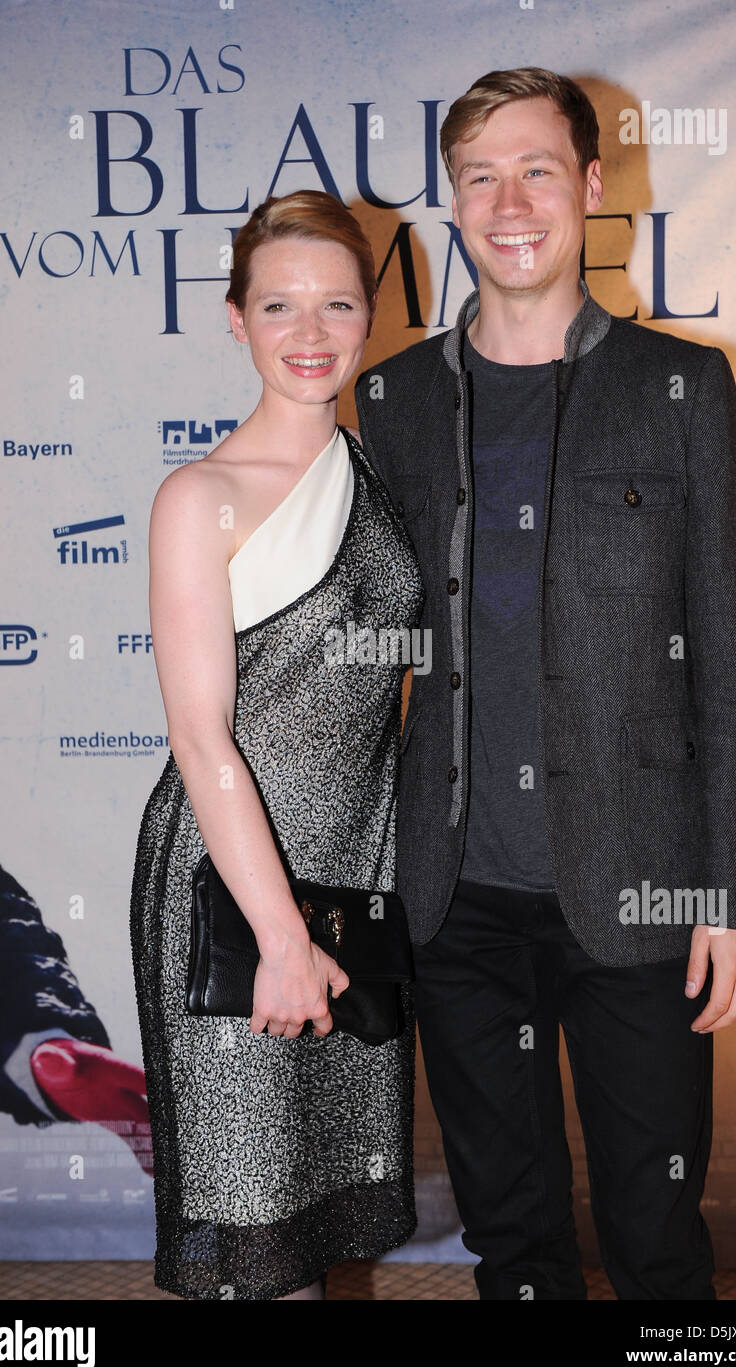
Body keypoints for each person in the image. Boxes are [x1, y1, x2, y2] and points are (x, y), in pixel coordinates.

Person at [355, 67, 736, 1300]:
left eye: (537, 168)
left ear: (593, 189)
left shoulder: (680, 386)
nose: (509, 201)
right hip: (457, 901)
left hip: (643, 890)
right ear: (453, 199)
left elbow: (732, 657)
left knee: (658, 1243)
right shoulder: (394, 400)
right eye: (479, 175)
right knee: (515, 1242)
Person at [129, 191, 422, 1301]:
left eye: (338, 303)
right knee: (257, 1236)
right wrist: (282, 938)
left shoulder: (383, 477)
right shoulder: (197, 497)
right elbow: (201, 739)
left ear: (369, 316)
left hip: (357, 874)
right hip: (229, 889)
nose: (311, 331)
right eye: (280, 304)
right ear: (235, 320)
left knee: (321, 1219)